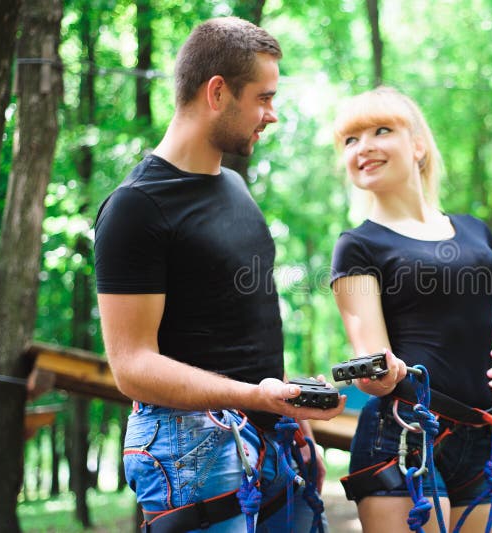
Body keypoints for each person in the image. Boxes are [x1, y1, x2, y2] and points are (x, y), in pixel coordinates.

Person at [94, 17, 345, 532]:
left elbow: (245, 329)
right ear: (217, 92)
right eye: (263, 97)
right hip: (192, 453)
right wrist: (251, 396)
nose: (271, 115)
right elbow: (130, 365)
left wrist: (288, 418)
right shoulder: (135, 208)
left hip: (273, 440)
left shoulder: (235, 187)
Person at [330, 87, 492, 532]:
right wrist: (377, 374)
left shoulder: (476, 233)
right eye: (350, 140)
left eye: (380, 131)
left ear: (418, 145)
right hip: (403, 433)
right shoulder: (357, 246)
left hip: (481, 437)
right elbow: (373, 360)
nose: (363, 147)